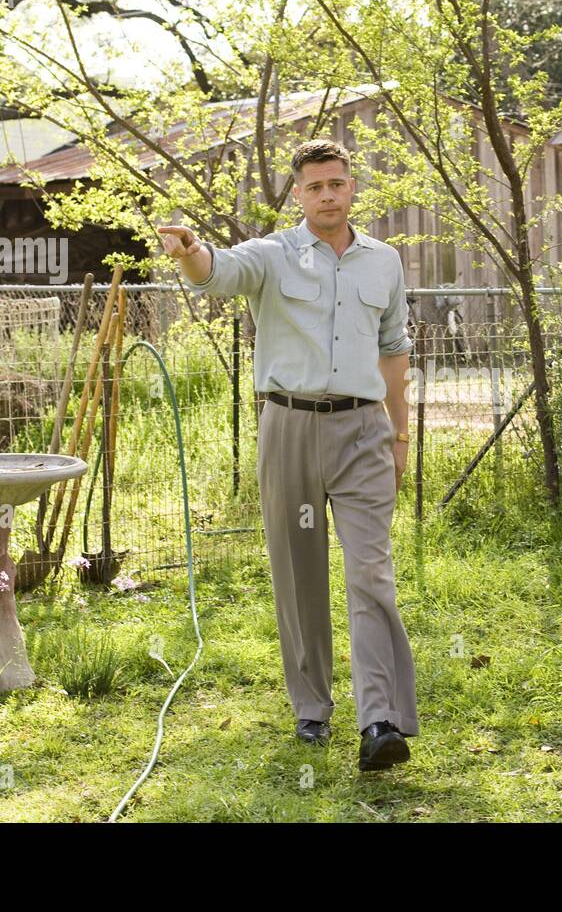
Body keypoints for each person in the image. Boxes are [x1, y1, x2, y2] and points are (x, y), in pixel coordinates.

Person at [157, 139, 418, 772]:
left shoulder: (383, 262)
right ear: (298, 194)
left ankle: (378, 719)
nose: (328, 195)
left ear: (352, 187)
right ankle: (312, 708)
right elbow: (216, 273)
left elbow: (394, 350)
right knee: (298, 571)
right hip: (289, 427)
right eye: (315, 187)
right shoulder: (272, 254)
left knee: (371, 575)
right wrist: (191, 252)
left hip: (363, 433)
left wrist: (400, 433)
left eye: (337, 183)